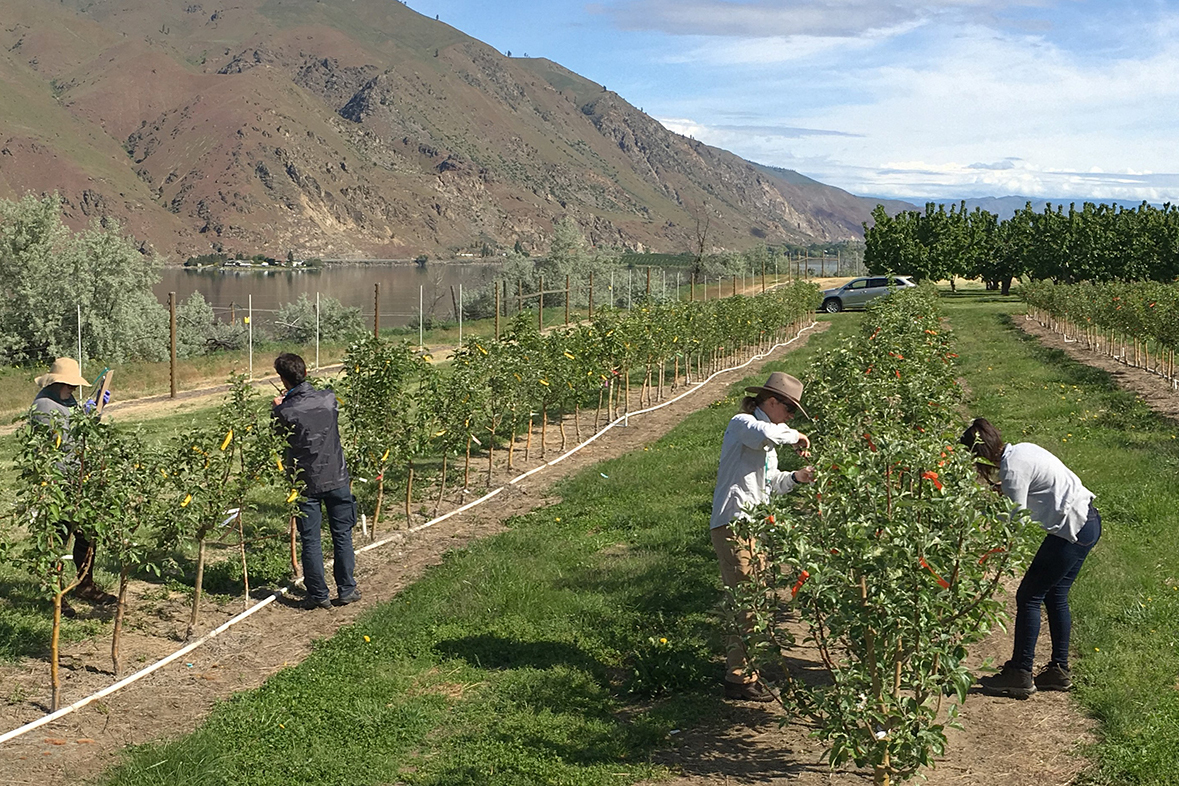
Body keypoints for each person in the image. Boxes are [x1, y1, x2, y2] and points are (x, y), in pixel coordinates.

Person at [960, 417, 1101, 698]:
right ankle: (1058, 671)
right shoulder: (1021, 450)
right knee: (1055, 595)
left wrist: (981, 546)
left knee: (1028, 596)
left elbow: (1014, 523)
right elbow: (1036, 485)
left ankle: (1020, 673)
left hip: (1071, 530)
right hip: (1088, 522)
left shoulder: (1011, 471)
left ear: (980, 456)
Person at [711, 371, 815, 701]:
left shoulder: (766, 440)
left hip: (753, 525)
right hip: (735, 524)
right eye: (790, 410)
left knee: (754, 600)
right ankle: (739, 680)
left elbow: (770, 484)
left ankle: (745, 672)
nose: (790, 418)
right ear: (771, 402)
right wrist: (795, 435)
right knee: (747, 601)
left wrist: (798, 477)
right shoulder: (743, 423)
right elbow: (765, 432)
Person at [272, 353, 361, 610]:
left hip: (305, 483)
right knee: (342, 534)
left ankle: (318, 595)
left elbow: (278, 437)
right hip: (336, 477)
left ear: (282, 379)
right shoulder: (328, 398)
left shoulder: (284, 411)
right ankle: (347, 589)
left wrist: (278, 406)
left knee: (311, 539)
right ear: (306, 373)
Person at [31, 357, 116, 610]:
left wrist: (94, 409)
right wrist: (87, 414)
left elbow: (80, 431)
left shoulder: (65, 399)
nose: (73, 389)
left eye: (75, 386)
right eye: (69, 385)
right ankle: (56, 594)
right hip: (56, 481)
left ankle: (84, 585)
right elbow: (67, 438)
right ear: (55, 382)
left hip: (75, 478)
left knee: (87, 533)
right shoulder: (45, 405)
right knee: (57, 538)